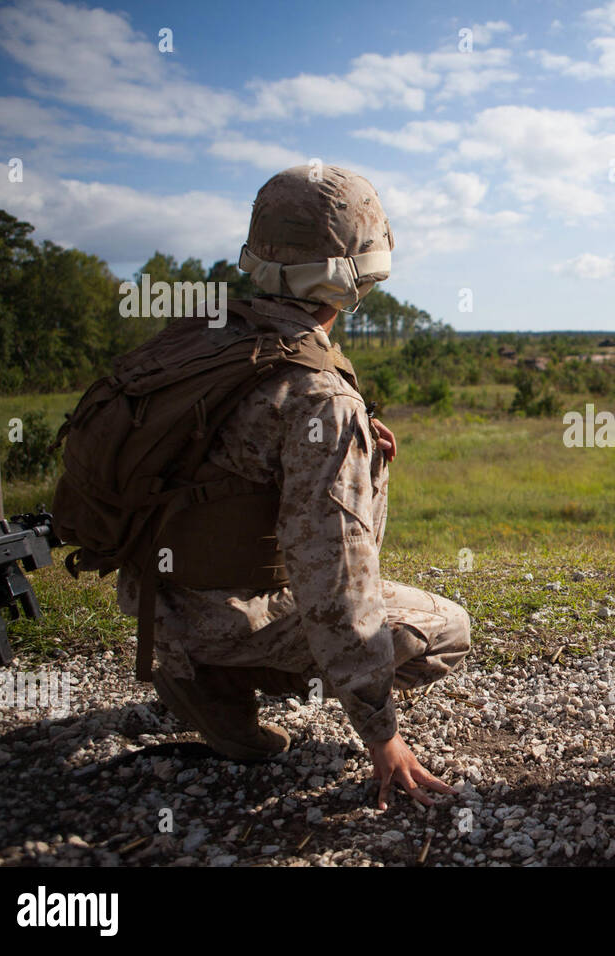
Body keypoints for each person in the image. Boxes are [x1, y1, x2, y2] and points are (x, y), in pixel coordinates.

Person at [118, 165, 470, 810]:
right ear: (357, 271)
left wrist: (368, 462)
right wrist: (381, 735)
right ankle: (219, 675)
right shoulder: (317, 394)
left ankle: (197, 669)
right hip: (223, 618)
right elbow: (334, 573)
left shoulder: (198, 336)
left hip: (150, 599)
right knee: (445, 629)